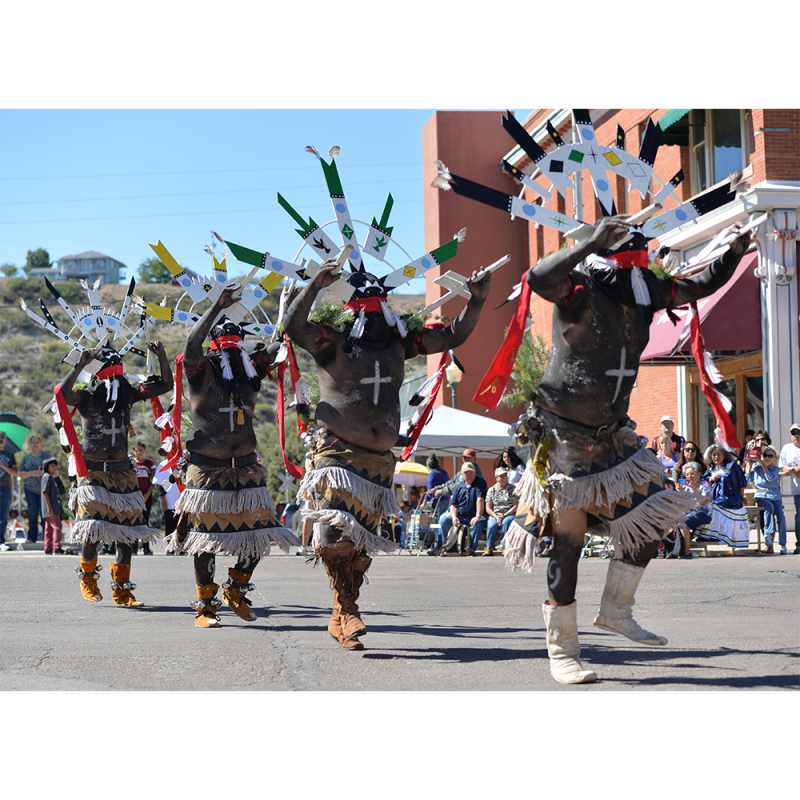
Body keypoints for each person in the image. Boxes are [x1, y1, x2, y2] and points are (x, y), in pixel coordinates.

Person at [506, 215, 752, 685]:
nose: (642, 276)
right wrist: (588, 243)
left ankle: (616, 611)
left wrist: (734, 252)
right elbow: (538, 278)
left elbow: (696, 286)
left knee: (654, 516)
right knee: (568, 545)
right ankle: (564, 651)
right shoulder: (577, 289)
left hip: (614, 435)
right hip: (562, 437)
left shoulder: (643, 292)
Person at [286, 258, 491, 651]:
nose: (379, 314)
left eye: (384, 304)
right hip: (337, 453)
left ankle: (341, 611)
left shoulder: (401, 343)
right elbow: (294, 327)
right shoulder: (331, 342)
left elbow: (451, 336)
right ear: (353, 310)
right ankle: (347, 611)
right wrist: (314, 285)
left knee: (361, 542)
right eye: (370, 307)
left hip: (379, 459)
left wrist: (476, 301)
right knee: (332, 532)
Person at [169, 285, 299, 627]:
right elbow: (190, 346)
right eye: (221, 330)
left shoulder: (251, 370)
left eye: (234, 331)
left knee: (260, 534)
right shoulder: (200, 371)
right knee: (205, 541)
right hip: (205, 468)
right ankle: (205, 607)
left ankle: (236, 588)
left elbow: (281, 343)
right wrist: (217, 306)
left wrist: (293, 304)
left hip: (246, 467)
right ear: (213, 338)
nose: (229, 334)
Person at [60, 342, 173, 606]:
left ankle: (122, 591)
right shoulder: (86, 397)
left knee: (128, 533)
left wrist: (162, 356)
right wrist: (80, 365)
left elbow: (165, 385)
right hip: (93, 472)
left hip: (123, 472)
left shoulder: (130, 395)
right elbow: (62, 395)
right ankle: (88, 579)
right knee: (93, 530)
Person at [432, 463, 487, 556]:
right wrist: (454, 517)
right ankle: (448, 547)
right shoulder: (459, 486)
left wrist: (477, 516)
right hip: (461, 516)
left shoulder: (480, 483)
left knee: (478, 523)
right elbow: (454, 505)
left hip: (476, 515)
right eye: (466, 473)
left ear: (475, 472)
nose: (469, 475)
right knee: (443, 519)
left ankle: (470, 549)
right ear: (462, 474)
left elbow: (480, 500)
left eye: (471, 472)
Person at [703, 446, 750, 551]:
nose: (716, 457)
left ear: (724, 455)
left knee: (715, 506)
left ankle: (716, 535)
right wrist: (711, 479)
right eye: (714, 455)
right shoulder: (712, 469)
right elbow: (704, 482)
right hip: (715, 498)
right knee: (707, 507)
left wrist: (741, 498)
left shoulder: (732, 466)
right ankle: (709, 535)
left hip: (731, 497)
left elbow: (742, 483)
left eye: (719, 454)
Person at [746, 446, 787, 554]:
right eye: (765, 455)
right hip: (762, 496)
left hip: (775, 497)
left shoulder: (776, 469)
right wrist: (748, 465)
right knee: (769, 507)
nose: (767, 458)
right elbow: (747, 479)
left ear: (774, 458)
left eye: (770, 456)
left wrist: (762, 463)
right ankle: (768, 536)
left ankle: (783, 544)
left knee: (781, 517)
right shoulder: (756, 468)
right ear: (761, 456)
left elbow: (769, 477)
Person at [673, 462, 713, 559]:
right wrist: (680, 493)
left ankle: (686, 552)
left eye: (692, 473)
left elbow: (703, 504)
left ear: (699, 474)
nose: (689, 476)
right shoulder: (686, 487)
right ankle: (674, 550)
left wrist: (695, 490)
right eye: (687, 474)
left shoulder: (706, 485)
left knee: (682, 521)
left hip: (703, 513)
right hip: (689, 512)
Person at [18, 435, 52, 544]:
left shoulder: (47, 457)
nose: (35, 444)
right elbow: (21, 473)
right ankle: (31, 537)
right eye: (33, 442)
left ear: (40, 443)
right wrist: (32, 473)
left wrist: (44, 473)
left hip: (44, 490)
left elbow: (53, 471)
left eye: (37, 442)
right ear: (30, 444)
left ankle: (46, 537)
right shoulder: (26, 458)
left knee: (44, 514)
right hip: (30, 490)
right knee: (32, 514)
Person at [485, 467, 518, 556]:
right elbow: (488, 507)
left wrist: (504, 515)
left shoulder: (513, 489)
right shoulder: (492, 490)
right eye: (501, 476)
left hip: (509, 514)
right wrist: (496, 516)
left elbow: (516, 506)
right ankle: (489, 548)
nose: (504, 478)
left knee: (507, 522)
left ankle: (506, 547)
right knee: (492, 525)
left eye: (505, 475)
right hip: (495, 514)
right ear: (496, 478)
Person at [778, 423, 800, 555]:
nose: (797, 436)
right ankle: (799, 544)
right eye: (794, 433)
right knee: (799, 517)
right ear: (791, 436)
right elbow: (782, 466)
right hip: (797, 489)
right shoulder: (787, 448)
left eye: (799, 433)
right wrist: (792, 470)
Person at [131, 442, 156, 555]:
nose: (140, 452)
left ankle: (146, 548)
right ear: (133, 452)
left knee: (145, 522)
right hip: (133, 497)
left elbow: (154, 481)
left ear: (145, 451)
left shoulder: (149, 463)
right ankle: (133, 547)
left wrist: (147, 494)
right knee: (133, 521)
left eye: (142, 450)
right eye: (137, 450)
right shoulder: (131, 463)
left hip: (146, 497)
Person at [41, 457, 63, 555]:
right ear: (46, 467)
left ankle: (48, 548)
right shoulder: (47, 477)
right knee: (57, 527)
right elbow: (45, 492)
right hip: (52, 508)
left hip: (50, 508)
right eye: (52, 465)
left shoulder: (50, 477)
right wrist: (49, 507)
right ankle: (57, 547)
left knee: (48, 529)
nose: (55, 467)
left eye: (55, 465)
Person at [0, 432, 18, 551]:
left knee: (3, 517)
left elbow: (15, 472)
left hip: (5, 490)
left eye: (2, 437)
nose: (0, 439)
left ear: (6, 440)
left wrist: (4, 466)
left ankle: (1, 542)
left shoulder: (10, 455)